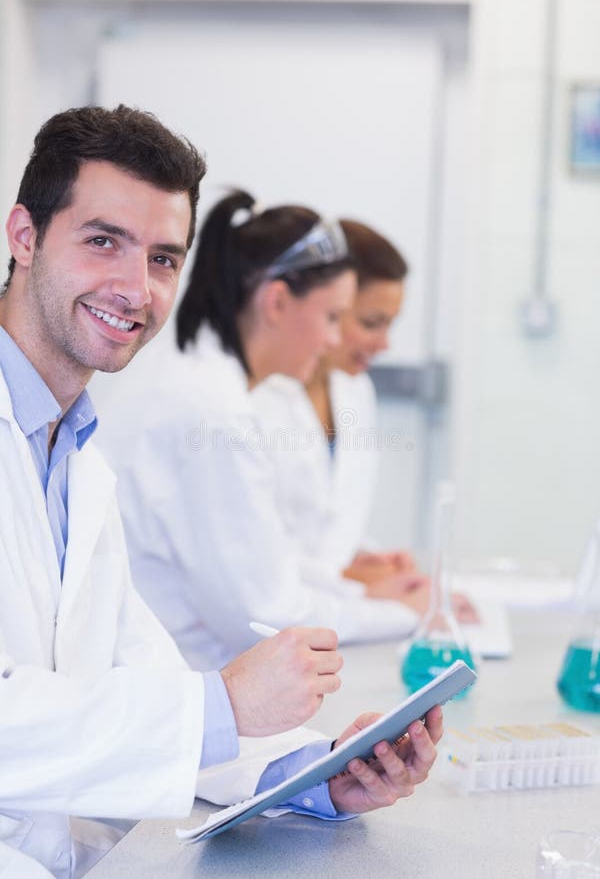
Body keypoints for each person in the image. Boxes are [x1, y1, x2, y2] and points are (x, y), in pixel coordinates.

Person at [0, 107, 443, 879]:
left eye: (164, 258)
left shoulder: (70, 452)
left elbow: (145, 681)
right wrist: (223, 708)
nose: (135, 287)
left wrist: (314, 774)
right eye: (103, 240)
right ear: (25, 237)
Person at [97, 191, 434, 676]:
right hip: (177, 689)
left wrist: (359, 590)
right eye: (332, 317)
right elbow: (267, 617)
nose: (334, 340)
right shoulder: (215, 414)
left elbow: (265, 567)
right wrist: (408, 613)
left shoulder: (200, 382)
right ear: (277, 301)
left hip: (184, 679)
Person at [252, 219, 477, 617]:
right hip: (269, 626)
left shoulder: (355, 391)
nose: (385, 343)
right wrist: (358, 586)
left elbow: (321, 524)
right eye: (372, 323)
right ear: (329, 307)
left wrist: (366, 561)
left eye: (391, 324)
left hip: (327, 614)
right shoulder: (255, 398)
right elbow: (251, 559)